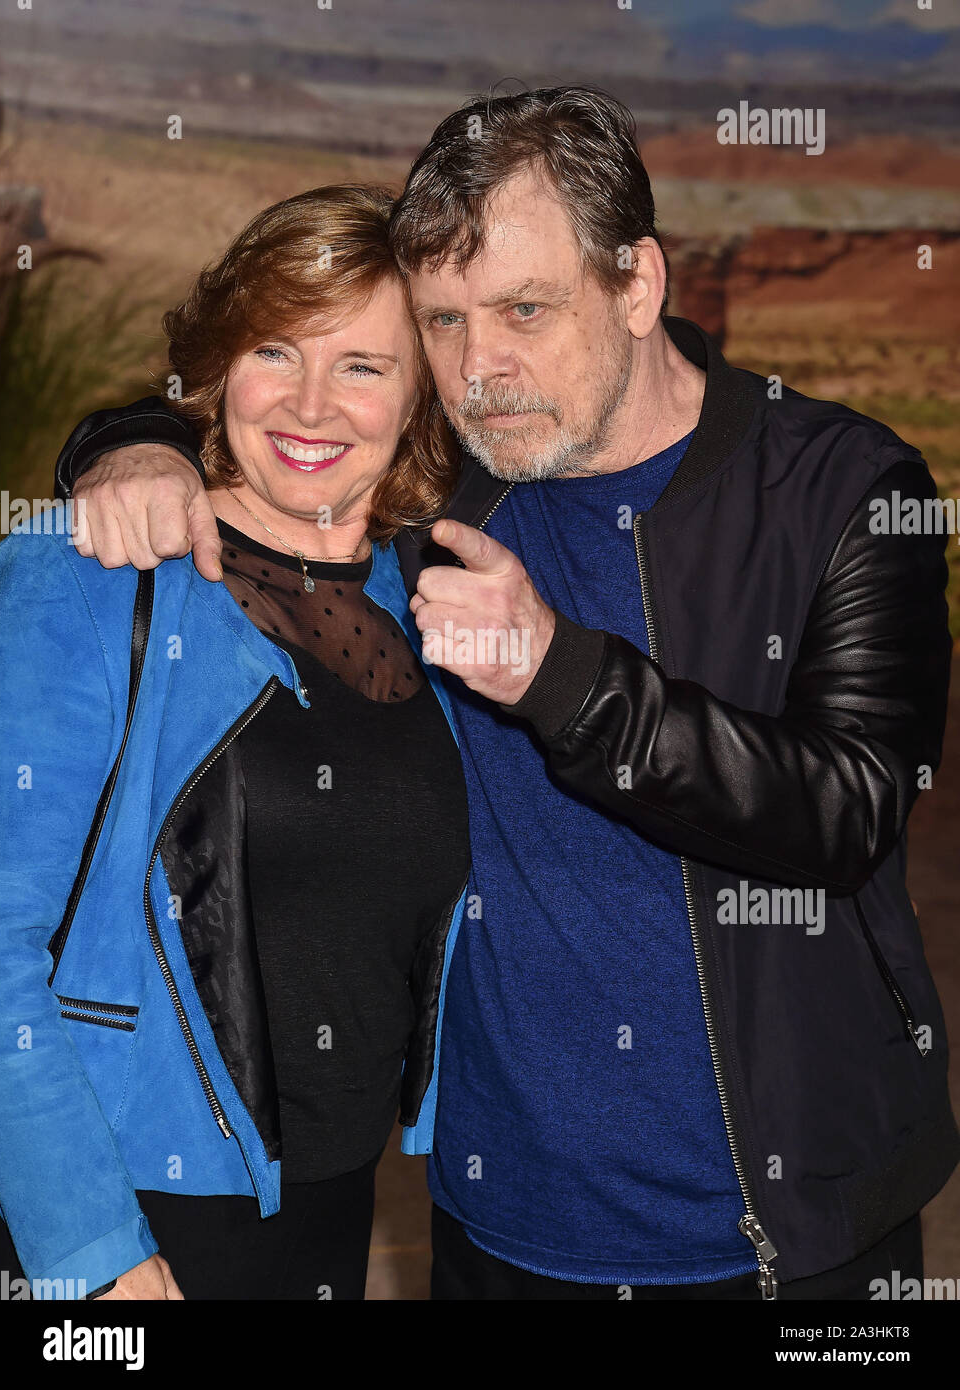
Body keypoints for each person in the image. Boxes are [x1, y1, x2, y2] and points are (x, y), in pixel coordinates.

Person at [52, 86, 958, 1301]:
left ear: (638, 285)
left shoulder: (839, 490)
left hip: (791, 1238)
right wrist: (129, 442)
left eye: (526, 309)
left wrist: (560, 676)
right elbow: (274, 414)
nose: (481, 368)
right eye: (444, 321)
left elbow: (848, 807)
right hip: (499, 1225)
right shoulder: (440, 491)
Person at [0, 184, 471, 1300]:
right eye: (275, 350)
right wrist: (89, 1251)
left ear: (420, 399)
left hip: (333, 1204)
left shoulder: (434, 603)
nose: (312, 405)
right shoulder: (89, 575)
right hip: (126, 1206)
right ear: (218, 370)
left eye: (363, 365)